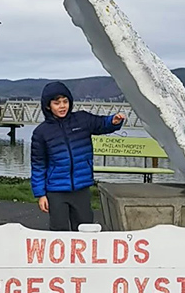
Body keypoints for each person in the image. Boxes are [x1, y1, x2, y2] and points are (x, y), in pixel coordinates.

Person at [31, 81, 126, 230]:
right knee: (59, 231)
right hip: (56, 190)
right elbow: (38, 165)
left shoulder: (82, 120)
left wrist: (113, 121)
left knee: (85, 228)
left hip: (81, 188)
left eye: (65, 101)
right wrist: (40, 194)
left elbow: (101, 123)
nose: (62, 106)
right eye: (57, 103)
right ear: (48, 106)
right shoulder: (41, 132)